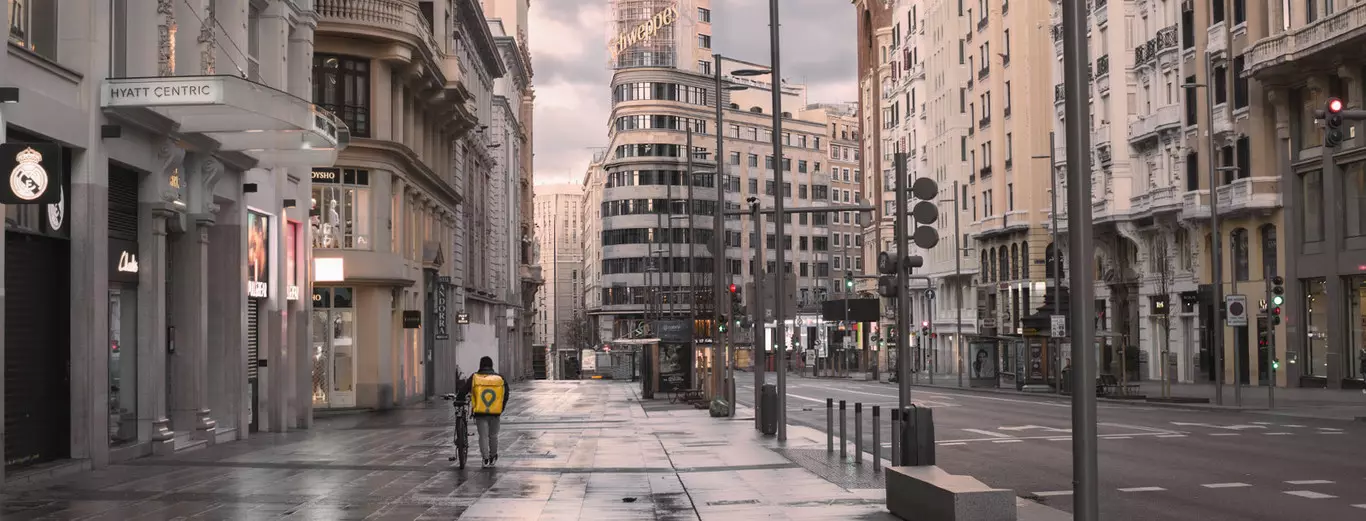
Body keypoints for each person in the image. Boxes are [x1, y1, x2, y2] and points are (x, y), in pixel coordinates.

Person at [457, 356, 509, 468]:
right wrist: (501, 407)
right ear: (492, 365)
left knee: (483, 436)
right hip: (495, 412)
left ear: (480, 365)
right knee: (493, 435)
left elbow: (463, 390)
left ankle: (485, 459)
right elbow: (506, 393)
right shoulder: (500, 378)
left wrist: (459, 399)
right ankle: (493, 456)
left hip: (480, 412)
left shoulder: (475, 377)